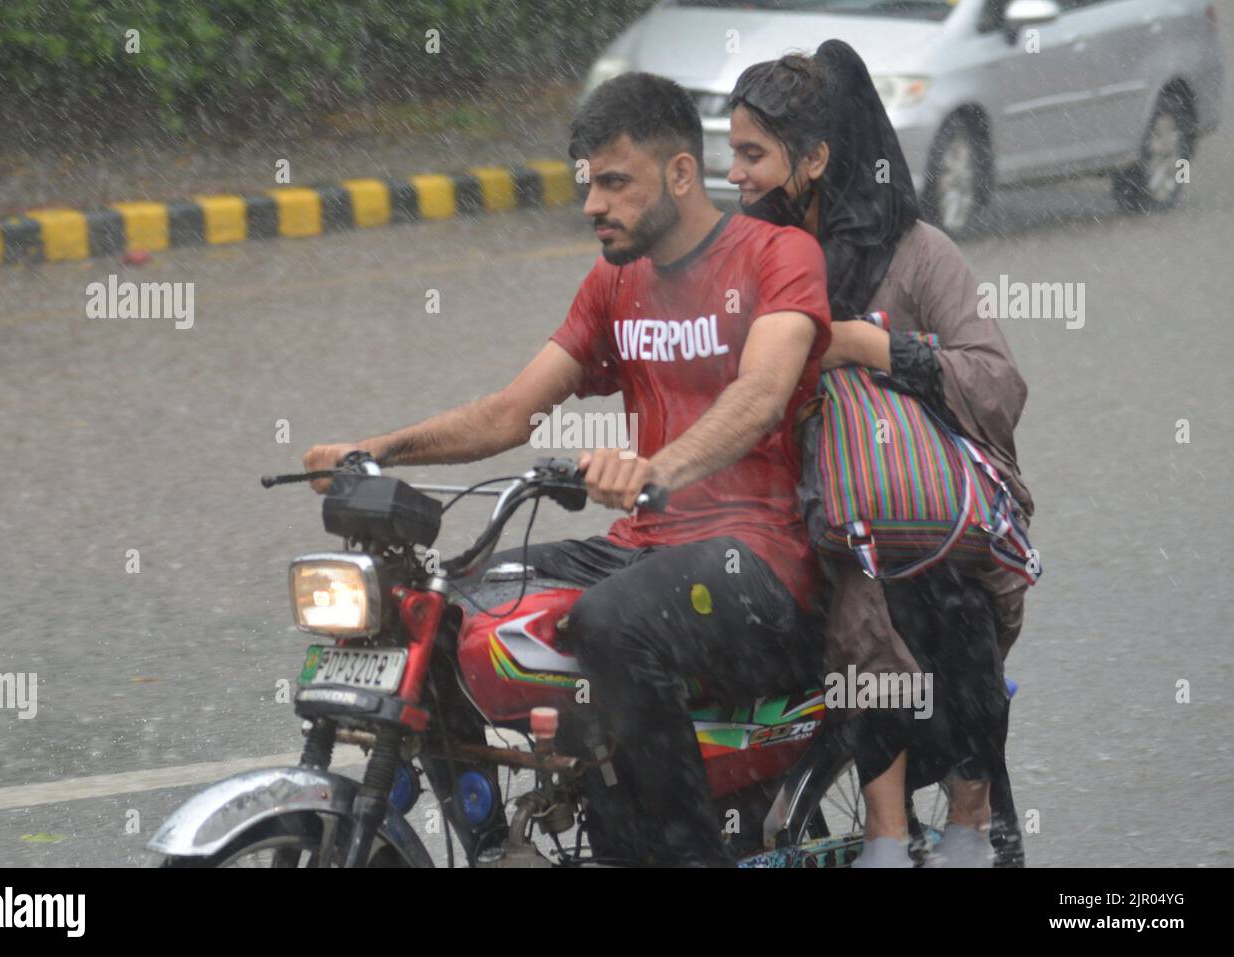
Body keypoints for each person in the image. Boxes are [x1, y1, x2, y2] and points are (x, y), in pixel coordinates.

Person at [303, 72, 833, 866]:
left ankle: (686, 854)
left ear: (681, 173)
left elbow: (761, 395)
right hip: (641, 548)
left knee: (610, 620)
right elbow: (510, 412)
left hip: (760, 564)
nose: (593, 205)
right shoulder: (615, 282)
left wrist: (659, 466)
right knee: (442, 607)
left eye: (615, 182)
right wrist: (376, 450)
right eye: (589, 184)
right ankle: (495, 835)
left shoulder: (777, 255)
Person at [726, 42, 1036, 867]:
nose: (737, 174)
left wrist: (879, 347)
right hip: (791, 510)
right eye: (732, 152)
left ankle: (946, 822)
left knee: (914, 586)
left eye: (753, 154)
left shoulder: (919, 251)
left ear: (818, 156)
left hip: (924, 515)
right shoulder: (749, 256)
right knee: (845, 567)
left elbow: (999, 383)